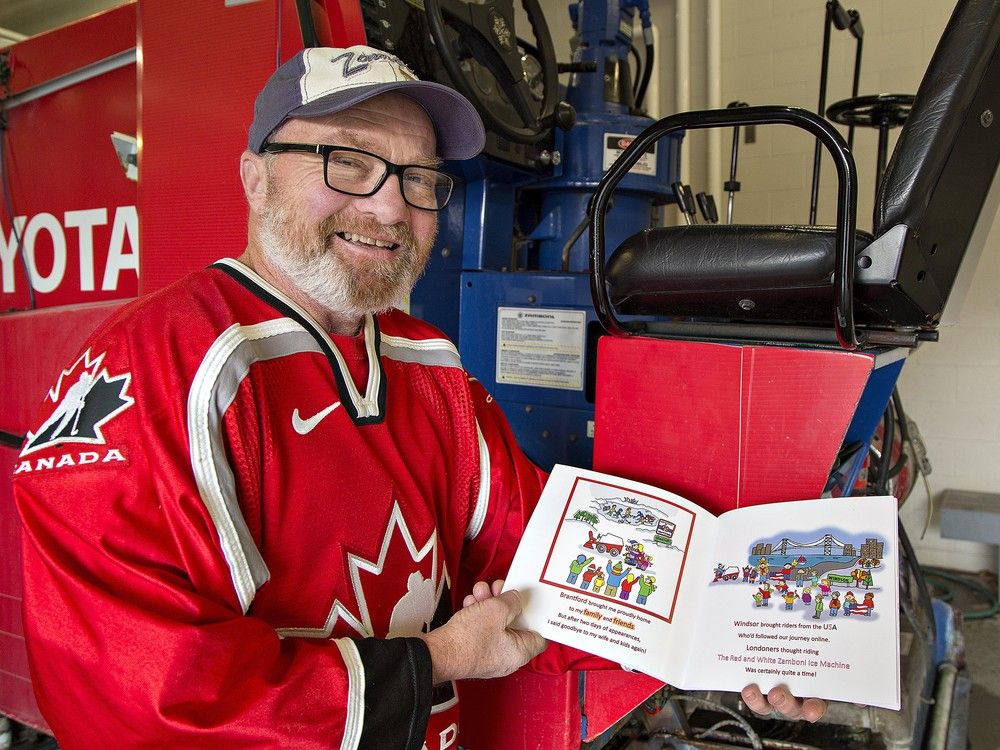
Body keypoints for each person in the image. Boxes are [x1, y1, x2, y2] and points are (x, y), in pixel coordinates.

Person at [12, 45, 824, 749]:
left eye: (421, 178)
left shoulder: (424, 362)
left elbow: (540, 559)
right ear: (255, 179)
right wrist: (440, 660)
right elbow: (142, 698)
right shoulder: (152, 369)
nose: (390, 206)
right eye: (348, 162)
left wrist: (735, 633)